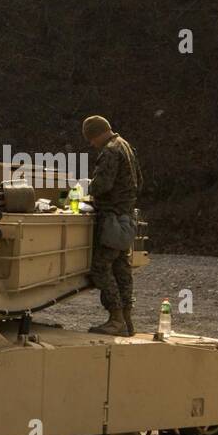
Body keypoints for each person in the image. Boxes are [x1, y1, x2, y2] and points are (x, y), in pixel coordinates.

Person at [82, 115, 142, 336]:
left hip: (112, 218)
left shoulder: (109, 151)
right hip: (126, 216)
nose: (91, 144)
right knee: (121, 268)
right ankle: (126, 319)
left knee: (100, 268)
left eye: (91, 139)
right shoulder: (125, 146)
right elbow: (140, 181)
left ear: (97, 134)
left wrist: (89, 189)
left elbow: (102, 185)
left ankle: (116, 319)